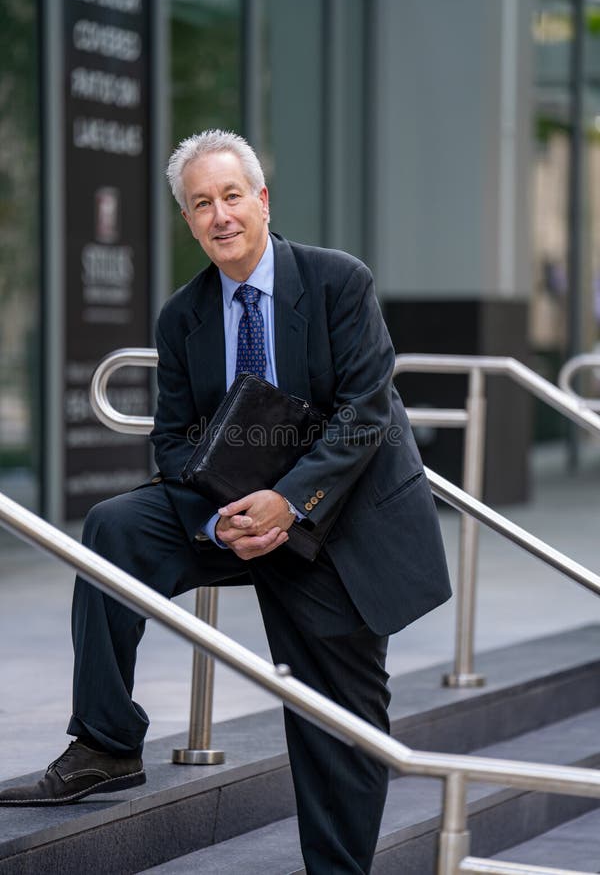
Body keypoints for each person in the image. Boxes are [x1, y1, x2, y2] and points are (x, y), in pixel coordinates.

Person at [0, 130, 451, 873]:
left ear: (262, 201)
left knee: (339, 721)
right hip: (232, 513)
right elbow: (173, 442)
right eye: (201, 204)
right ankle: (106, 743)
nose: (220, 216)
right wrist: (220, 519)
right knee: (113, 529)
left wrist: (289, 502)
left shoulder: (339, 282)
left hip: (332, 523)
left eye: (232, 196)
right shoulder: (184, 318)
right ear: (189, 220)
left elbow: (365, 414)